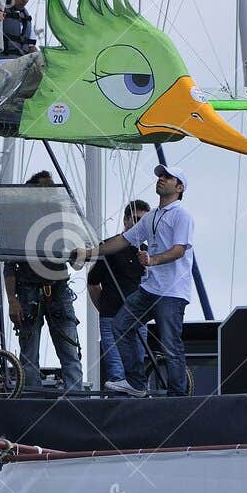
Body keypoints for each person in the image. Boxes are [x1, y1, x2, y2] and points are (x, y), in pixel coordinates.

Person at [85, 164, 195, 396]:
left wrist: (152, 260)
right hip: (150, 290)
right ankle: (136, 383)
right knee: (120, 325)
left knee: (170, 344)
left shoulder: (181, 215)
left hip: (172, 292)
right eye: (160, 176)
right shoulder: (152, 216)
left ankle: (178, 396)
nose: (161, 179)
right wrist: (90, 253)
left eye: (168, 177)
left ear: (180, 186)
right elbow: (123, 240)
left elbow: (179, 250)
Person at [5, 170, 84, 394]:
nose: (50, 191)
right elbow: (9, 263)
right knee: (30, 354)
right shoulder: (20, 222)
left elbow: (76, 256)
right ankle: (33, 400)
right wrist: (12, 300)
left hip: (58, 287)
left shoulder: (60, 218)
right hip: (30, 289)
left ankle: (75, 399)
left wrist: (79, 252)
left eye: (51, 187)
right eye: (45, 188)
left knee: (69, 349)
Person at [87, 200, 151, 387]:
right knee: (117, 372)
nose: (140, 225)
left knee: (136, 370)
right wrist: (104, 308)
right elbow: (92, 283)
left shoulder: (148, 253)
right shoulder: (109, 247)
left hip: (137, 320)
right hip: (111, 317)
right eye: (137, 219)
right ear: (125, 220)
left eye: (144, 221)